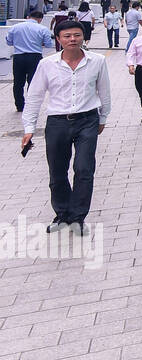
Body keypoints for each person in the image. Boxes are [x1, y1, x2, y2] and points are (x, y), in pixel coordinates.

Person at [21, 20, 112, 234]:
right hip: (57, 122)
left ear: (84, 37)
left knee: (84, 168)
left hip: (87, 120)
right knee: (57, 171)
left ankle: (78, 217)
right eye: (67, 36)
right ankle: (62, 214)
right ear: (58, 39)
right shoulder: (47, 64)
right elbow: (34, 96)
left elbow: (104, 91)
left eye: (77, 35)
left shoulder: (97, 61)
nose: (73, 39)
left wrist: (103, 118)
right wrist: (29, 128)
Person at [7, 9, 54, 111]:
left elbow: (9, 42)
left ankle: (19, 105)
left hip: (18, 57)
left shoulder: (15, 27)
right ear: (40, 19)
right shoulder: (42, 29)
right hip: (35, 57)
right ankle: (31, 105)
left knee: (18, 82)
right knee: (33, 82)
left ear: (28, 17)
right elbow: (49, 44)